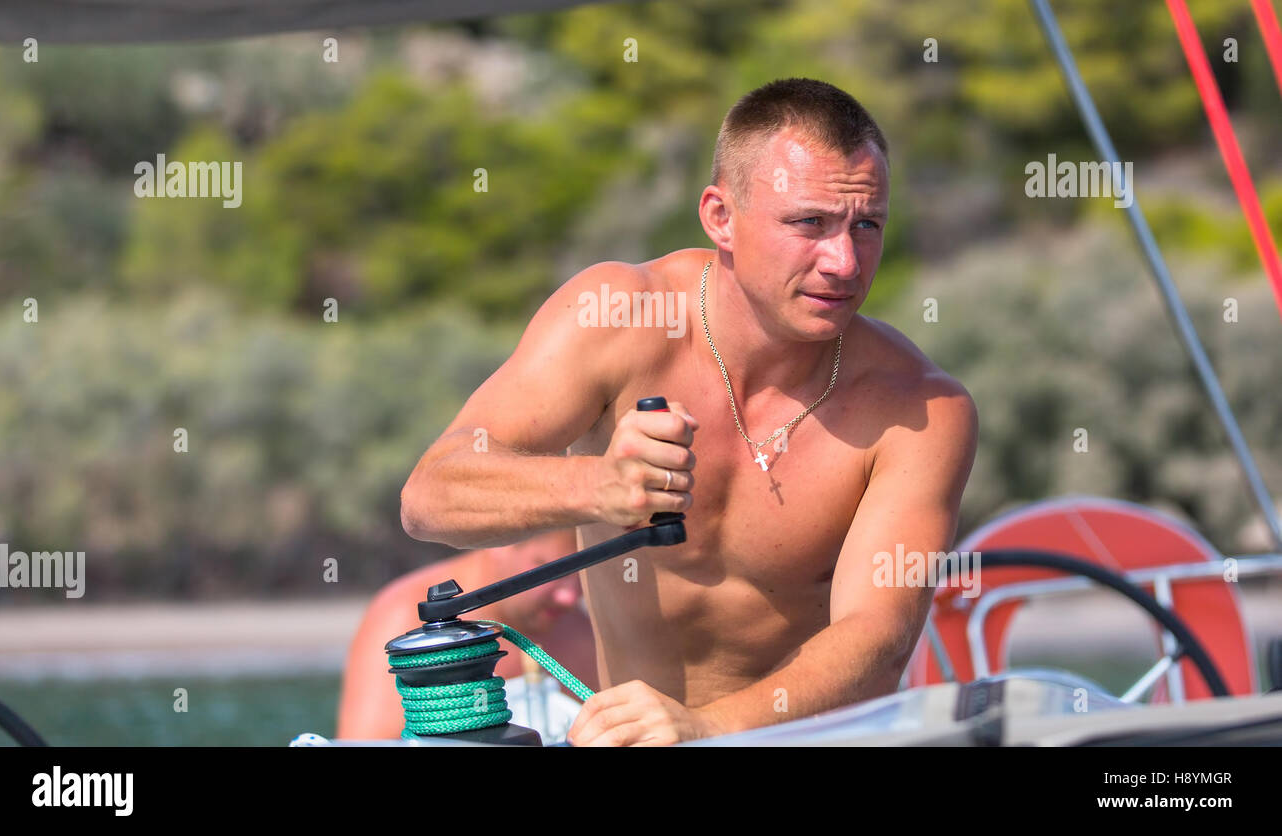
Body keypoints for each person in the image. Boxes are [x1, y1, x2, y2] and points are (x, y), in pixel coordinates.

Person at [400, 77, 979, 746]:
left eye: (867, 225)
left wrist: (707, 727)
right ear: (720, 217)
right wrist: (599, 486)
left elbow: (878, 634)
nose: (844, 261)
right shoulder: (618, 317)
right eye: (809, 223)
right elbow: (429, 496)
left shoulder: (921, 407)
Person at [336, 527, 597, 740]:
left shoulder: (581, 633)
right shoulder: (398, 616)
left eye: (581, 574)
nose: (570, 596)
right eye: (549, 571)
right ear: (500, 544)